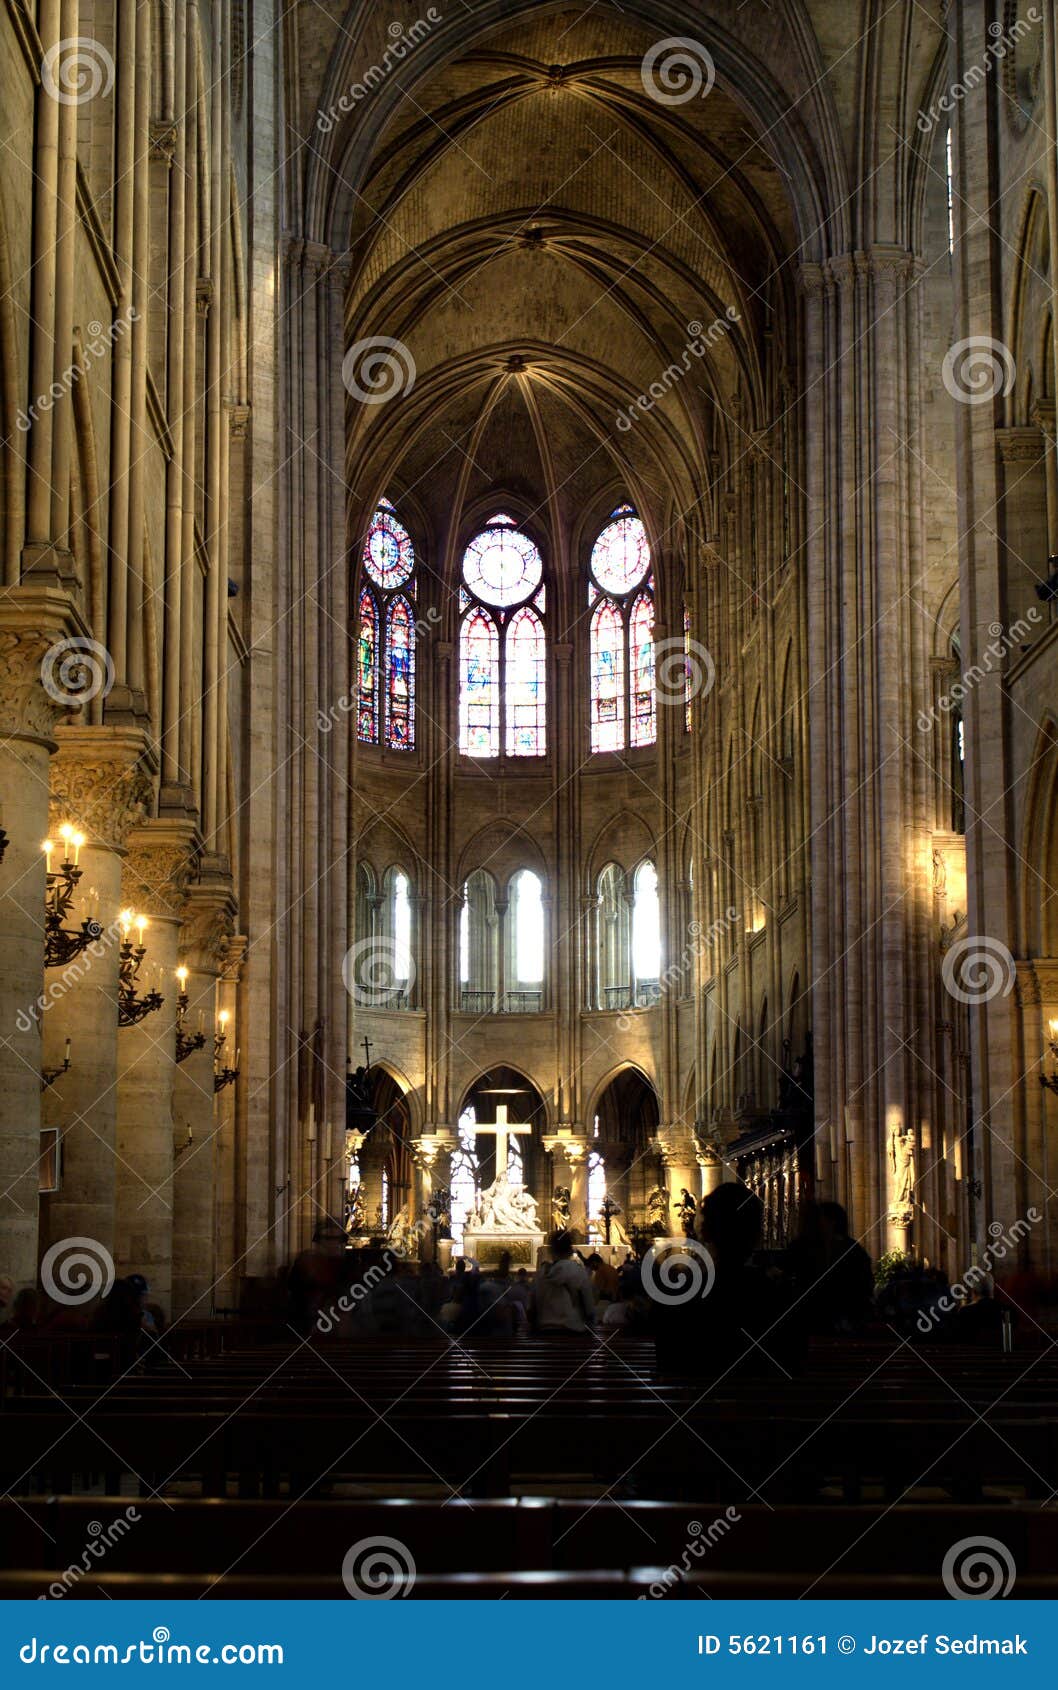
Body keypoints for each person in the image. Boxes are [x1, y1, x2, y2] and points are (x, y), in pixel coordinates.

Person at [653, 1184, 802, 1380]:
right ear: (757, 1235)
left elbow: (667, 1363)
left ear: (704, 1232)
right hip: (768, 1405)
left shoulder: (679, 1294)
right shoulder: (780, 1295)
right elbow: (793, 1364)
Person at [785, 1201, 873, 1333]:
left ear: (833, 1222)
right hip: (808, 1318)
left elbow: (864, 1283)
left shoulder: (851, 1250)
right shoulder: (801, 1247)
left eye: (820, 1220)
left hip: (844, 1318)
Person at [530, 1230, 596, 1333]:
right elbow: (589, 1309)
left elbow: (531, 1310)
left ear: (551, 1250)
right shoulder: (579, 1272)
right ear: (570, 1250)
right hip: (573, 1334)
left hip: (545, 1335)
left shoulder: (540, 1275)